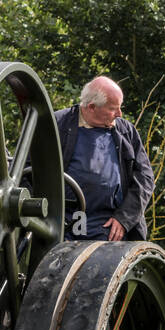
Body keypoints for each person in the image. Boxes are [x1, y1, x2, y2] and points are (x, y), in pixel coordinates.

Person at [55, 77, 154, 241]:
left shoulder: (126, 131)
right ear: (92, 107)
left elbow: (145, 178)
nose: (119, 114)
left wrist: (124, 218)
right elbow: (28, 171)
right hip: (63, 224)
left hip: (109, 226)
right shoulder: (58, 124)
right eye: (113, 109)